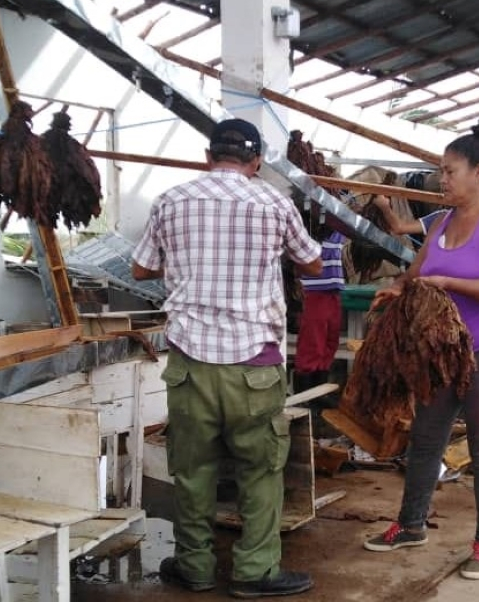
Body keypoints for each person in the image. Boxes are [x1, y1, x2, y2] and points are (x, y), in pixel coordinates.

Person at [132, 118, 322, 598]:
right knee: (259, 472)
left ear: (207, 155)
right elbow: (313, 262)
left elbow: (140, 267)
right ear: (255, 161)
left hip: (189, 363)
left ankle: (194, 566)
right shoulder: (274, 203)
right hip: (254, 364)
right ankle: (254, 573)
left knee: (193, 471)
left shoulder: (171, 201)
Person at [362, 114, 479, 580]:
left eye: (450, 171)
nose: (443, 179)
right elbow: (416, 273)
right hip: (445, 353)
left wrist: (451, 281)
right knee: (425, 440)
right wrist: (398, 289)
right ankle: (411, 524)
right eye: (441, 171)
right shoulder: (440, 222)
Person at [293, 223, 347, 395]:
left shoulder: (340, 218)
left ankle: (319, 392)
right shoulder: (311, 217)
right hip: (312, 290)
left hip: (332, 289)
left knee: (330, 342)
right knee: (312, 344)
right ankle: (306, 396)